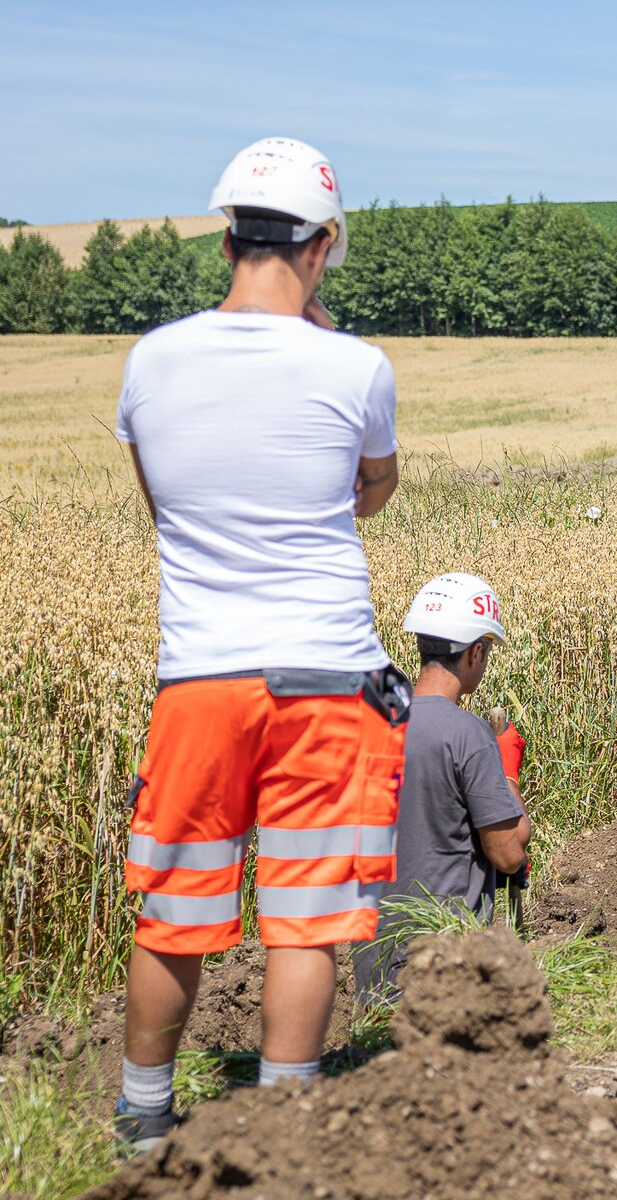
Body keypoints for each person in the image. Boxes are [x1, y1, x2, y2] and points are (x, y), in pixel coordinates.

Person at [114, 138, 405, 1147]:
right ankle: (286, 1122)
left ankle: (143, 1118)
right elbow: (372, 490)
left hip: (198, 680)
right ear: (322, 245)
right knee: (309, 917)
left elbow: (160, 506)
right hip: (327, 678)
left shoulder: (151, 359)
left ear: (227, 234)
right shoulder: (358, 366)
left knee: (176, 912)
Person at [353, 573, 531, 1001]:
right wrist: (507, 771)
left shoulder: (374, 725)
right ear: (475, 653)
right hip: (442, 956)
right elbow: (508, 853)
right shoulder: (467, 734)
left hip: (373, 949)